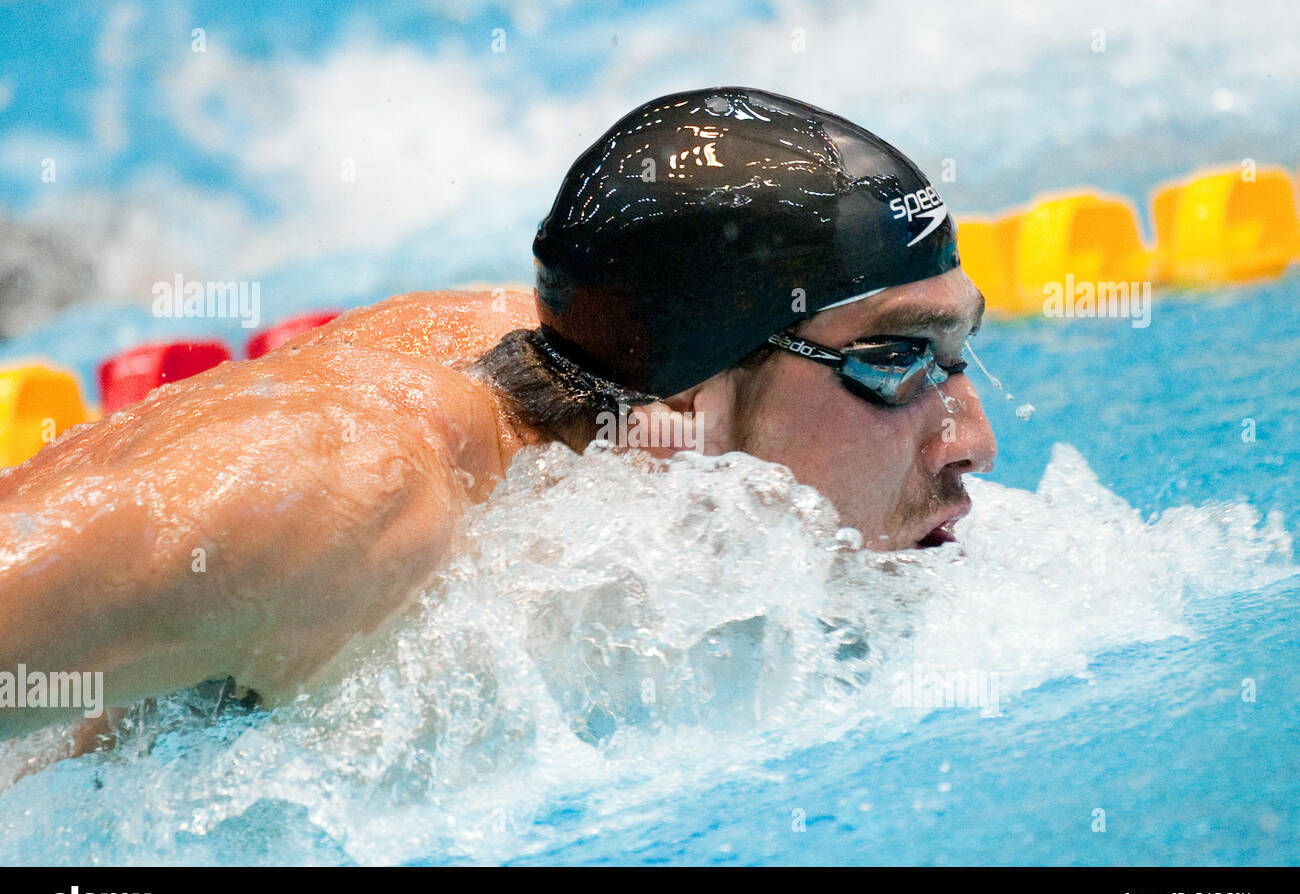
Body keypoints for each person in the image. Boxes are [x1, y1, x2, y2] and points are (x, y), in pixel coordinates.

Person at [0, 88, 995, 745]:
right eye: (894, 359)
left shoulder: (600, 390)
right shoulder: (342, 492)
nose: (970, 442)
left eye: (955, 352)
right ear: (690, 398)